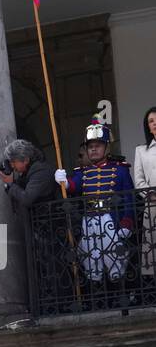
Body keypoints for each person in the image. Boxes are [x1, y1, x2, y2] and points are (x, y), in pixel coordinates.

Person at [55, 119, 136, 301]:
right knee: (92, 261)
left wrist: (127, 222)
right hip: (90, 220)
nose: (93, 149)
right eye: (90, 146)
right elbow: (74, 186)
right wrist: (65, 181)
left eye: (98, 145)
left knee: (116, 262)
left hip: (111, 220)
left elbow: (129, 199)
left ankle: (121, 298)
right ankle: (99, 299)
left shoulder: (120, 170)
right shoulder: (82, 172)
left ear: (106, 148)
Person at [0, 139, 60, 292]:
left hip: (51, 229)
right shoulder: (31, 171)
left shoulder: (41, 171)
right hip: (41, 229)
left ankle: (58, 301)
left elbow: (27, 198)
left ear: (25, 159)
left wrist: (11, 185)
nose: (12, 166)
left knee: (54, 269)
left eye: (14, 162)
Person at [132, 106, 156, 283]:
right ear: (147, 126)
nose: (155, 123)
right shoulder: (141, 150)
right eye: (151, 121)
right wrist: (150, 194)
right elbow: (139, 180)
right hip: (153, 204)